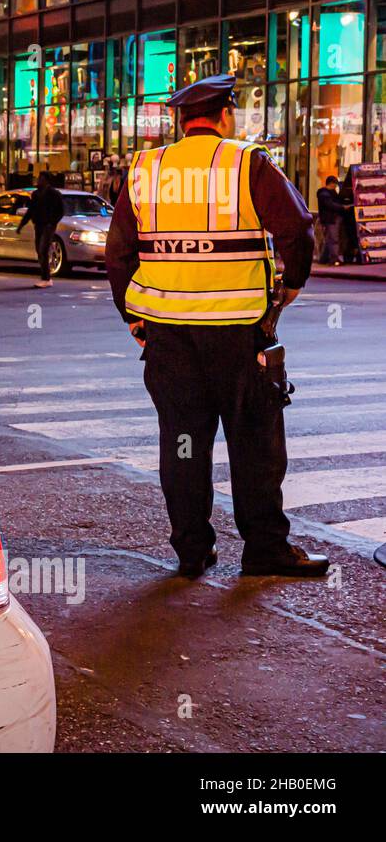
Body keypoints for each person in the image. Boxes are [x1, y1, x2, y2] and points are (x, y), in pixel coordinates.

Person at [106, 73, 328, 579]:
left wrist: (134, 317)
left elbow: (119, 253)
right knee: (254, 443)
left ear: (182, 122)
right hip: (237, 335)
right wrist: (291, 285)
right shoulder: (245, 162)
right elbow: (295, 227)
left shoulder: (146, 168)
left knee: (183, 445)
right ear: (225, 116)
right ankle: (264, 550)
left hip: (169, 338)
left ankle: (191, 552)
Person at [17, 170, 65, 287]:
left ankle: (46, 278)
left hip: (48, 226)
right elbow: (30, 211)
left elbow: (61, 211)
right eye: (39, 178)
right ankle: (45, 276)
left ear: (46, 181)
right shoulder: (36, 194)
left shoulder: (54, 194)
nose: (39, 180)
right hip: (38, 225)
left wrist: (52, 222)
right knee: (39, 250)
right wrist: (21, 225)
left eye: (41, 179)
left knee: (43, 249)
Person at [315, 175, 347, 266]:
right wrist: (342, 207)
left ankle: (323, 259)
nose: (336, 186)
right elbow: (331, 205)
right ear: (331, 183)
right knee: (333, 239)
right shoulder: (324, 194)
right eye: (335, 184)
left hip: (330, 218)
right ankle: (334, 259)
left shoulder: (329, 193)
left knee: (329, 239)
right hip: (331, 219)